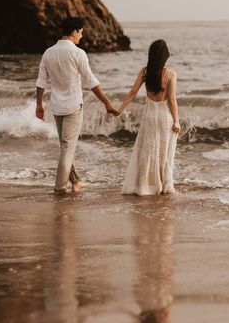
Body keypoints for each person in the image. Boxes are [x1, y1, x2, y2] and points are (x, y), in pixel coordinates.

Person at [36, 17, 117, 194]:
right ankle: (59, 188)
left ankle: (76, 181)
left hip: (56, 106)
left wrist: (39, 105)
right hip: (73, 106)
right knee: (67, 147)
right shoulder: (78, 53)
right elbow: (91, 81)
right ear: (74, 32)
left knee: (65, 146)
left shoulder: (48, 52)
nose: (81, 36)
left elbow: (41, 82)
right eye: (81, 32)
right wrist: (106, 102)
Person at [118, 39, 180, 196]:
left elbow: (132, 93)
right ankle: (164, 184)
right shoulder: (171, 74)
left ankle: (145, 185)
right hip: (164, 116)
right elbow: (172, 100)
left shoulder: (145, 72)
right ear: (165, 56)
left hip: (150, 116)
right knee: (164, 151)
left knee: (148, 150)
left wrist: (119, 109)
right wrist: (177, 121)